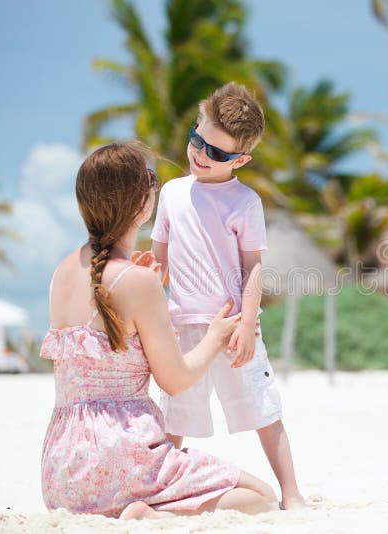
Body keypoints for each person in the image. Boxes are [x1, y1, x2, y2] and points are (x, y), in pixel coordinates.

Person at [40, 141, 277, 519]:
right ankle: (155, 516)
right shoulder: (138, 281)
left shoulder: (62, 273)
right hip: (124, 458)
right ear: (143, 203)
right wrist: (215, 337)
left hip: (63, 472)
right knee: (260, 495)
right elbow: (176, 380)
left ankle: (140, 509)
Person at [151, 82, 305, 509]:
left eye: (215, 153)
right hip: (182, 326)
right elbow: (158, 261)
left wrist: (249, 324)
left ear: (241, 160)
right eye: (196, 140)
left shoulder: (245, 202)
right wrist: (151, 315)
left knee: (263, 410)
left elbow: (253, 266)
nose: (200, 155)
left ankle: (291, 493)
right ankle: (157, 491)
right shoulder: (171, 193)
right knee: (175, 415)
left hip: (234, 325)